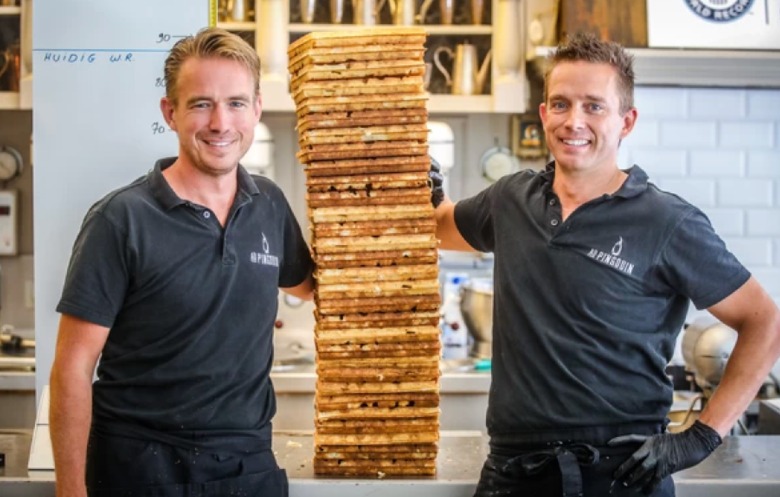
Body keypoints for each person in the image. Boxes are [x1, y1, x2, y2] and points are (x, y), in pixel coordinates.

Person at [431, 32, 780, 497]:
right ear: (543, 114)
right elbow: (441, 226)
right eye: (561, 104)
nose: (574, 120)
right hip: (514, 471)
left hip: (624, 472)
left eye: (594, 106)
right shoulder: (510, 199)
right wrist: (424, 182)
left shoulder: (667, 221)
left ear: (626, 121)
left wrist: (701, 436)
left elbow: (765, 322)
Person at [49, 27, 314, 497]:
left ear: (256, 109)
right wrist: (70, 491)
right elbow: (72, 367)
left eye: (235, 103)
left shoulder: (269, 205)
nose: (220, 122)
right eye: (200, 104)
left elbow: (309, 285)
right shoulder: (121, 218)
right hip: (138, 467)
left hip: (246, 465)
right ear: (170, 113)